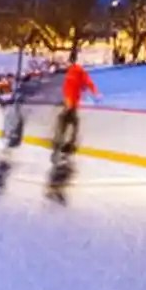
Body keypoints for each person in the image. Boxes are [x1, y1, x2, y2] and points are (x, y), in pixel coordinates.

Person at [47, 53, 99, 204]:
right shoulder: (66, 115)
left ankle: (56, 188)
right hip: (63, 146)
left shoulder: (71, 114)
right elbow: (61, 133)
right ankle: (54, 188)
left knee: (67, 167)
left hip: (65, 147)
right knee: (63, 166)